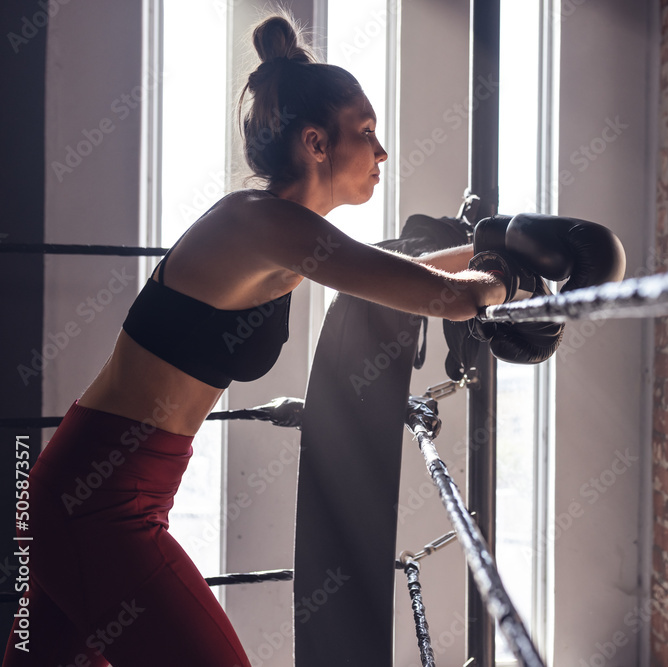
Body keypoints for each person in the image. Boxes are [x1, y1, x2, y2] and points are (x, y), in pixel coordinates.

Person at [2, 14, 505, 667]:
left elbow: (391, 279)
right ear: (316, 142)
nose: (381, 153)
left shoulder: (276, 229)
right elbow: (449, 295)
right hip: (98, 504)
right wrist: (505, 276)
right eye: (367, 133)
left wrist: (493, 248)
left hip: (97, 491)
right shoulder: (267, 227)